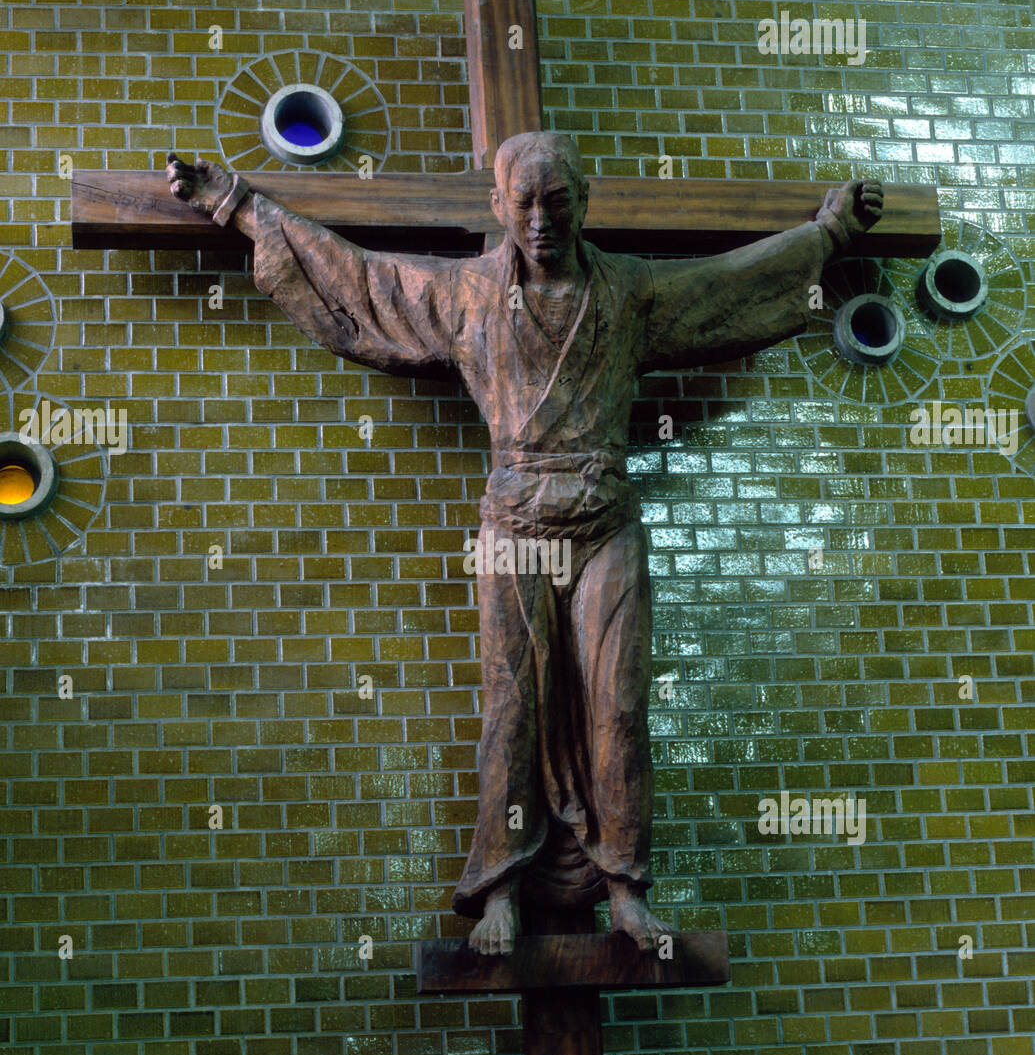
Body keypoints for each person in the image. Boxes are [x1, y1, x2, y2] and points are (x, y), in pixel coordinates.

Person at [166, 133, 883, 955]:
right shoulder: (468, 294)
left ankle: (625, 889)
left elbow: (724, 285)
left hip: (605, 519)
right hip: (513, 524)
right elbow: (360, 280)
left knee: (620, 707)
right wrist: (240, 206)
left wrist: (827, 235)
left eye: (557, 201)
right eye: (523, 202)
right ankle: (499, 888)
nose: (540, 219)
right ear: (498, 206)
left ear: (583, 202)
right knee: (509, 707)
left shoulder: (630, 292)